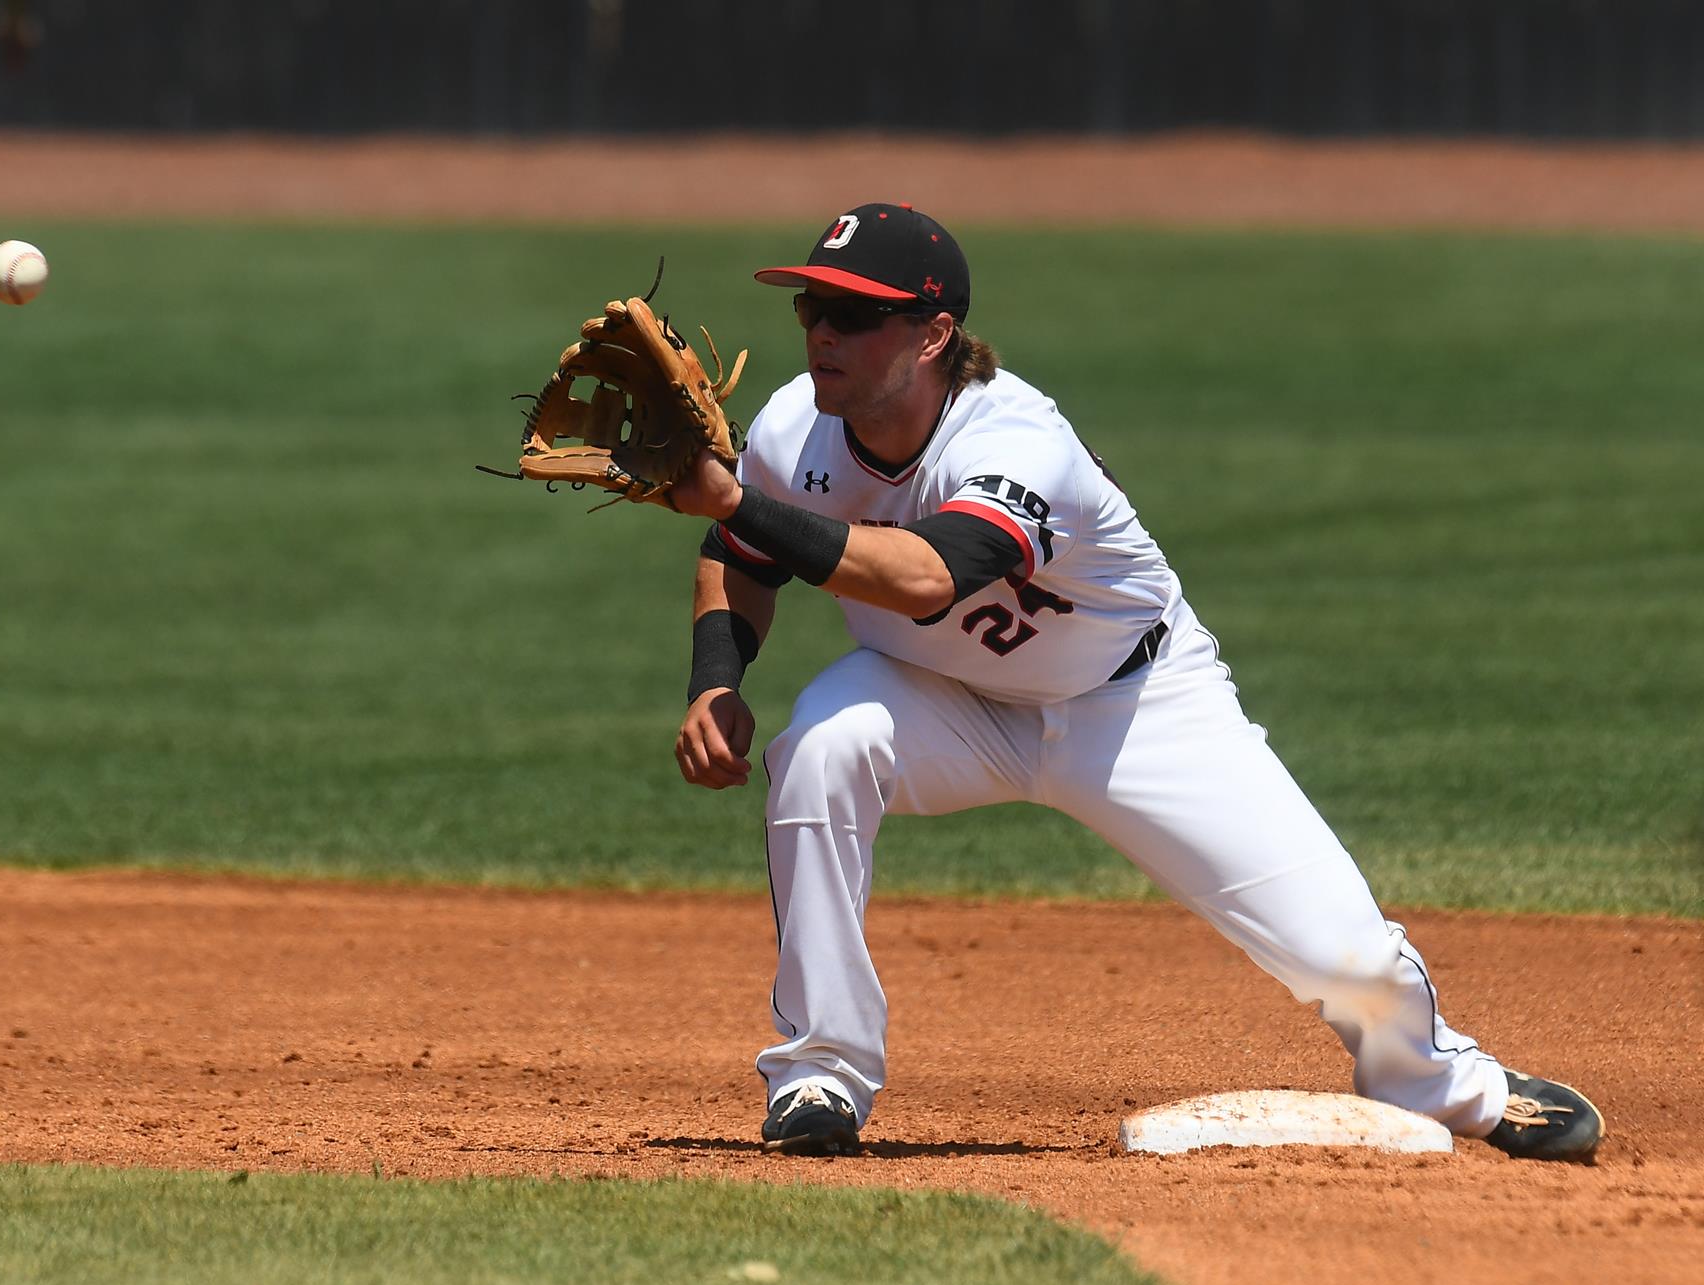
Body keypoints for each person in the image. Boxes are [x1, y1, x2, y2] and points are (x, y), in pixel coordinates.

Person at [664, 202, 1604, 1162]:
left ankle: (1443, 1078)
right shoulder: (792, 428)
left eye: (854, 314)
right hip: (941, 701)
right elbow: (735, 551)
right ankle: (820, 1072)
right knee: (820, 746)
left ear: (934, 333)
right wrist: (715, 679)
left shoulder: (1018, 440)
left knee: (1346, 956)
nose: (823, 329)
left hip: (1135, 703)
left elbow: (925, 577)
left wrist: (737, 499)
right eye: (813, 306)